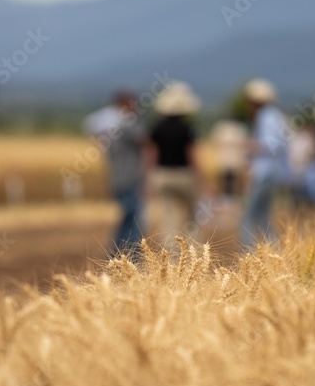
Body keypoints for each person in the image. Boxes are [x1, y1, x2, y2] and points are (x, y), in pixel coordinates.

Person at [83, 90, 146, 256]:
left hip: (117, 179)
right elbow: (145, 140)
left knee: (127, 218)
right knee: (133, 220)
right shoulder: (124, 125)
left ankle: (118, 254)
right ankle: (129, 256)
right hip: (130, 179)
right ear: (125, 104)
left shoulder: (107, 125)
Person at [147, 82, 204, 250]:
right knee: (193, 217)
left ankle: (172, 260)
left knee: (168, 219)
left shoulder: (156, 128)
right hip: (185, 175)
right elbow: (192, 156)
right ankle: (196, 254)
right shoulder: (188, 129)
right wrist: (204, 181)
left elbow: (152, 155)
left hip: (163, 175)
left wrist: (149, 179)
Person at [240, 78, 288, 249]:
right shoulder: (276, 115)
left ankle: (247, 257)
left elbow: (272, 144)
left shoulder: (265, 116)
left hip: (263, 172)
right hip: (272, 172)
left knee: (247, 217)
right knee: (263, 217)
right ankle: (276, 254)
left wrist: (250, 146)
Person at [209, 117, 248, 207]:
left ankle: (229, 200)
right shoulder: (234, 130)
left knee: (231, 180)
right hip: (226, 160)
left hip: (230, 160)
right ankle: (225, 199)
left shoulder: (233, 129)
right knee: (225, 180)